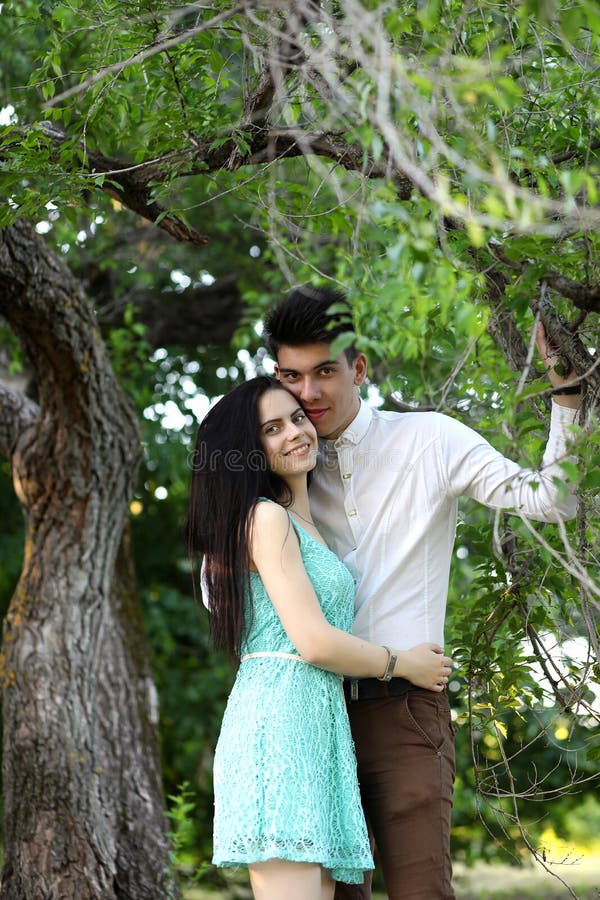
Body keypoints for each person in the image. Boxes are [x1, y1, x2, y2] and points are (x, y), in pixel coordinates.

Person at [263, 286, 582, 900]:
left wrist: (565, 397)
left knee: (421, 891)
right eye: (291, 376)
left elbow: (551, 499)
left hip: (406, 707)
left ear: (360, 366)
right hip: (308, 711)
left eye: (325, 372)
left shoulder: (430, 440)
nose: (308, 394)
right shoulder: (274, 468)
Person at [187, 376, 453, 900]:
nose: (294, 432)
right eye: (272, 428)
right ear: (248, 450)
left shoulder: (303, 526)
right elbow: (313, 643)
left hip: (316, 730)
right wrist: (403, 664)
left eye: (297, 418)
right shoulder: (265, 519)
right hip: (280, 730)